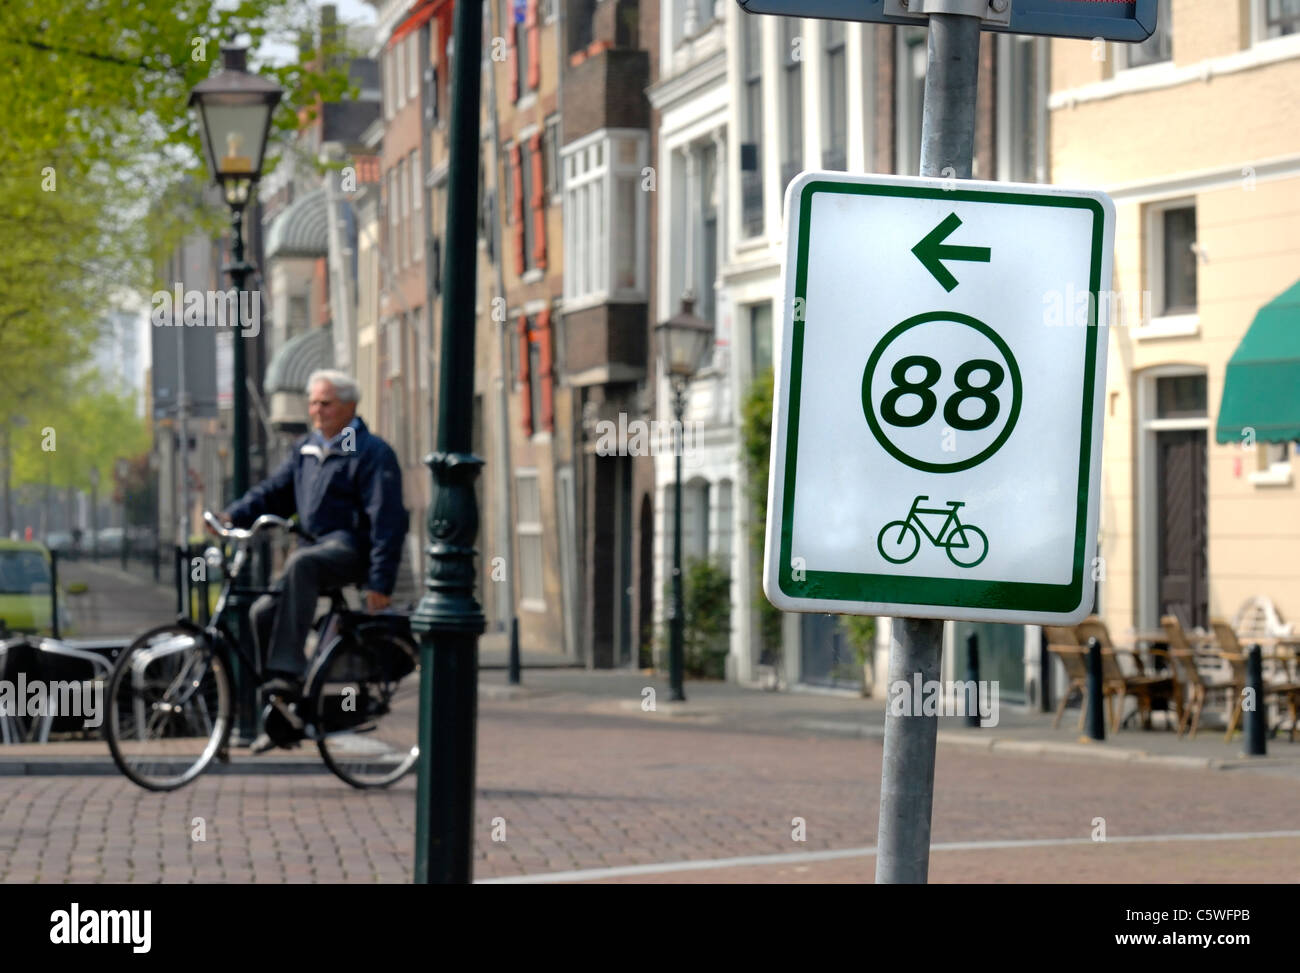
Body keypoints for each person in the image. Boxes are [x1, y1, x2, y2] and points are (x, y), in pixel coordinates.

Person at [220, 369, 408, 752]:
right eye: (313, 403)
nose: (317, 410)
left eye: (326, 403)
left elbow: (388, 520)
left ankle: (287, 672)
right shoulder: (307, 450)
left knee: (301, 564)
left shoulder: (370, 452)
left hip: (350, 549)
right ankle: (284, 715)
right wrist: (231, 516)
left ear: (350, 406)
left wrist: (380, 582)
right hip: (314, 549)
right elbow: (274, 493)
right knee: (260, 613)